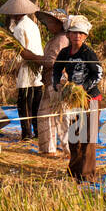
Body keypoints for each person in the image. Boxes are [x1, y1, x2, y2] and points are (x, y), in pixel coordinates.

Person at [53, 14, 103, 182]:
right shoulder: (65, 52)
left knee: (88, 139)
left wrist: (84, 87)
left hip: (91, 100)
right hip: (75, 101)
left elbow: (98, 74)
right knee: (75, 139)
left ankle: (87, 175)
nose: (77, 36)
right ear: (68, 35)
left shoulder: (88, 53)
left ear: (85, 36)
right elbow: (56, 68)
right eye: (74, 33)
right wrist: (57, 83)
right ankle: (74, 171)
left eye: (81, 34)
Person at [0, 0, 44, 141]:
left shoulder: (19, 28)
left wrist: (10, 67)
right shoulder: (32, 24)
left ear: (15, 13)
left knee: (24, 101)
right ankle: (37, 132)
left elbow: (21, 52)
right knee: (36, 99)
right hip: (38, 67)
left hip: (27, 67)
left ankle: (26, 134)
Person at [35, 8, 70, 156]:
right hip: (50, 82)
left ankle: (69, 150)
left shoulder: (61, 39)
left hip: (57, 83)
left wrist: (32, 57)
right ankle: (48, 149)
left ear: (58, 23)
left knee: (61, 117)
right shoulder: (56, 38)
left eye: (50, 22)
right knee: (45, 115)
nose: (48, 25)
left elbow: (51, 62)